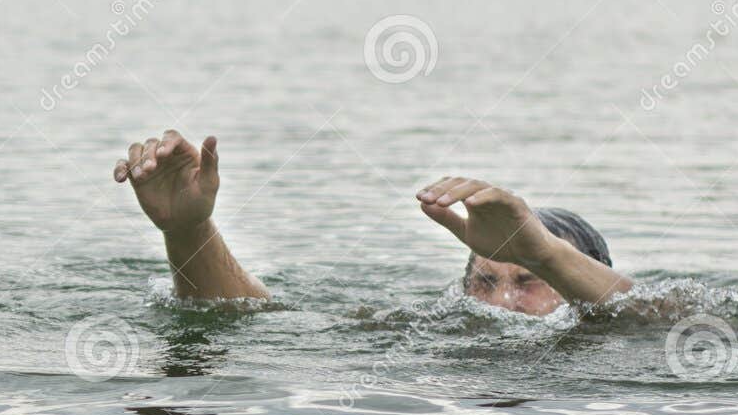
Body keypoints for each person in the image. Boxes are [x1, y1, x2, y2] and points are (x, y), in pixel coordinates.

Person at [113, 130, 633, 314]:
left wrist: (545, 252)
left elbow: (652, 318)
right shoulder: (436, 332)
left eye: (529, 281)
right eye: (485, 281)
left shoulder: (619, 345)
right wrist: (187, 231)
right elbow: (252, 322)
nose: (501, 303)